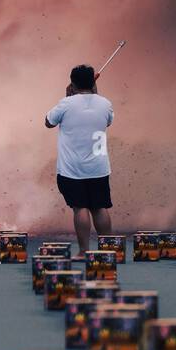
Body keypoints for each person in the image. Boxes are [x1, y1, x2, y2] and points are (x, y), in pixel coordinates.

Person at [44, 63, 114, 256]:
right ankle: (108, 251)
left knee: (80, 207)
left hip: (72, 168)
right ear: (93, 83)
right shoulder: (105, 103)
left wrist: (68, 97)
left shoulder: (66, 103)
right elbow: (108, 120)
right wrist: (96, 94)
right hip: (99, 167)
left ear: (72, 83)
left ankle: (84, 251)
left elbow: (48, 122)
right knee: (100, 207)